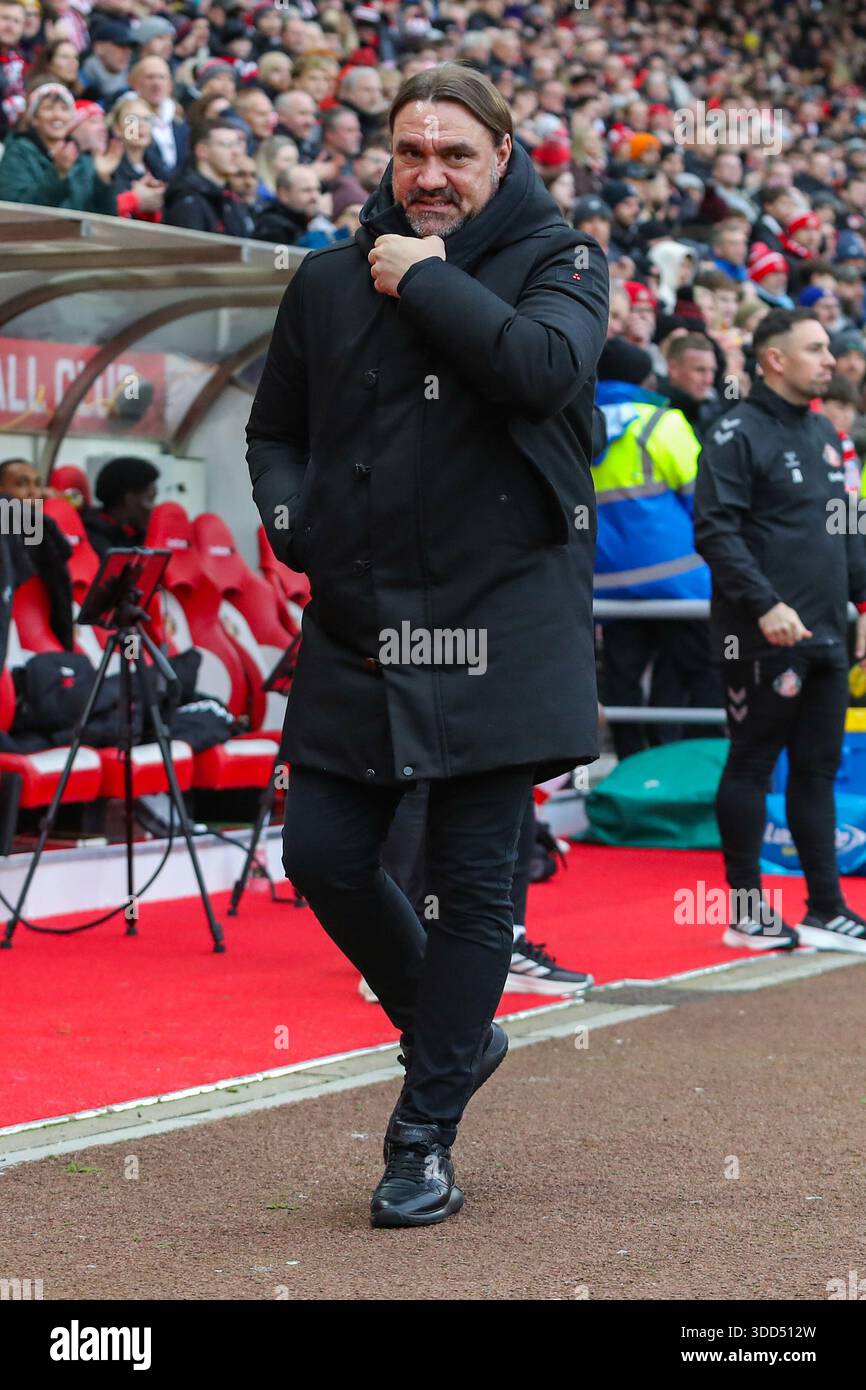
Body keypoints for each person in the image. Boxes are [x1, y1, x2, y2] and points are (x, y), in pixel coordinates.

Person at [246, 62, 607, 1228]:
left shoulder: (560, 259)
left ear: (501, 155)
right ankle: (454, 1034)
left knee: (469, 886)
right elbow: (275, 432)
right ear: (387, 158)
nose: (430, 174)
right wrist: (301, 531)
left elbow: (543, 370)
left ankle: (420, 1132)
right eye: (411, 152)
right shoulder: (324, 279)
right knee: (322, 854)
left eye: (454, 153)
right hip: (362, 613)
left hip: (501, 614)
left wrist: (428, 280)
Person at [694, 307, 866, 953]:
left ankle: (827, 907)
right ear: (773, 359)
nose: (832, 360)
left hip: (825, 634)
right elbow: (715, 530)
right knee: (751, 766)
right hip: (760, 637)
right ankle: (747, 911)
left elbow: (848, 524)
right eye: (817, 350)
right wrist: (765, 605)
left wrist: (863, 607)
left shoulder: (825, 431)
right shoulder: (735, 432)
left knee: (818, 770)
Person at [0, 80, 120, 211]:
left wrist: (103, 180)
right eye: (48, 108)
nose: (58, 115)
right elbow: (14, 209)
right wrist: (58, 174)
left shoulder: (83, 160)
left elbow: (104, 217)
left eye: (64, 109)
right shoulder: (18, 153)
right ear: (34, 119)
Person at [162, 117, 253, 237]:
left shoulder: (231, 199)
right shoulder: (188, 202)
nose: (236, 152)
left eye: (237, 145)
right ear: (202, 151)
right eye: (227, 145)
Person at [82, 455, 159, 557]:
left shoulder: (136, 535)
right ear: (129, 499)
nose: (154, 508)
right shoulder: (93, 542)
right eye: (150, 499)